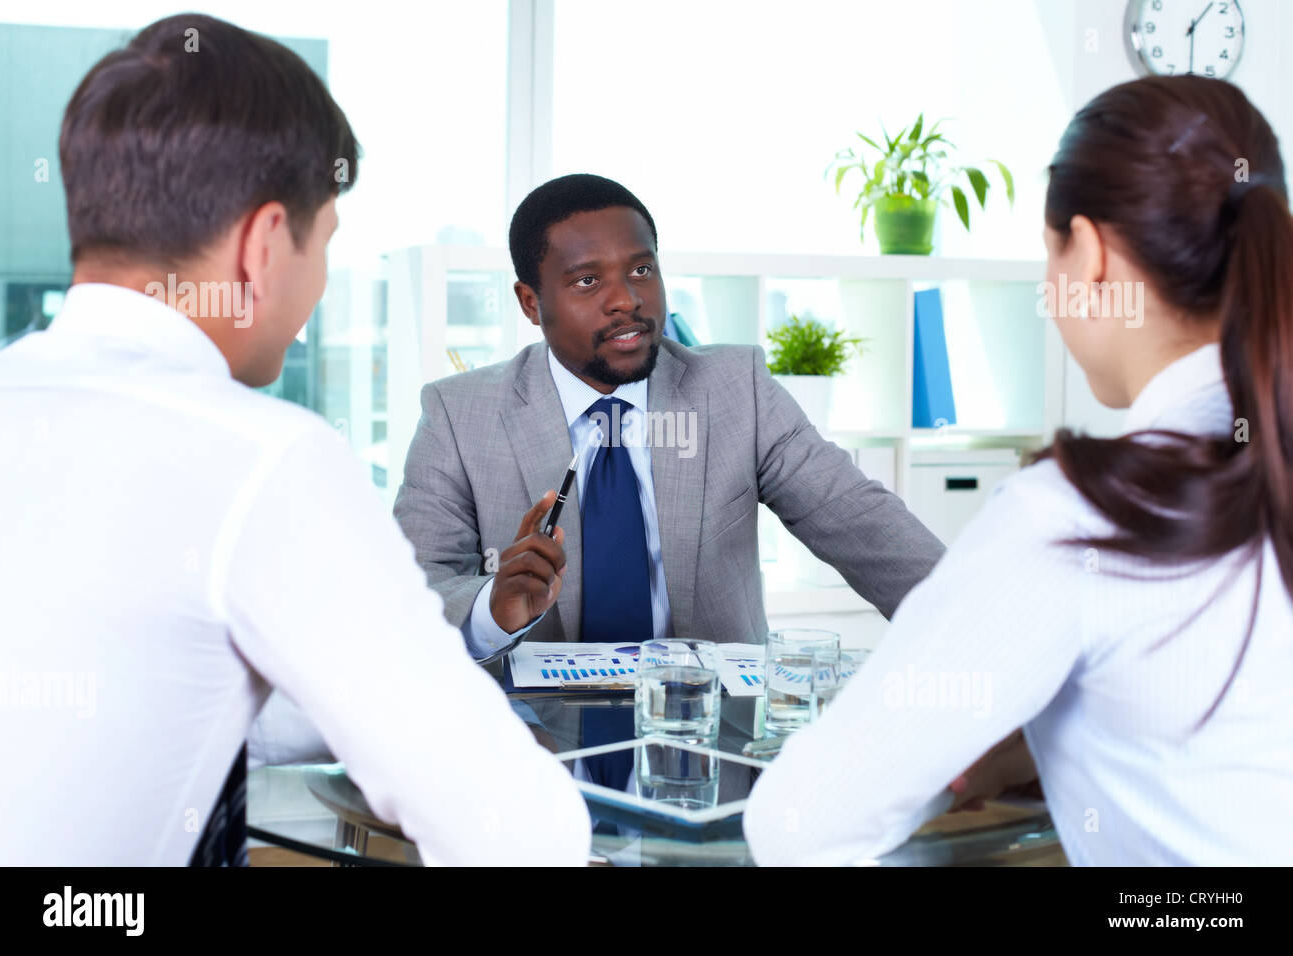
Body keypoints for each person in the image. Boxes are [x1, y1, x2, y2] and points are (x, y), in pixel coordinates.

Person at [0, 14, 589, 866]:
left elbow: (143, 694)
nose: (317, 291)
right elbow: (518, 826)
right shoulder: (261, 454)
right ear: (265, 244)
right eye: (327, 244)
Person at [743, 74, 1293, 866]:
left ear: (1092, 254)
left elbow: (798, 824)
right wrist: (1043, 741)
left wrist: (953, 764)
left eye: (1050, 255)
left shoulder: (1082, 515)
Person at [393, 174, 946, 661]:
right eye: (588, 281)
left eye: (641, 269)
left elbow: (862, 523)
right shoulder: (458, 416)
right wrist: (494, 607)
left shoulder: (736, 390)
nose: (626, 300)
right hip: (534, 750)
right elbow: (413, 596)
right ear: (531, 303)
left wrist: (990, 635)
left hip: (707, 743)